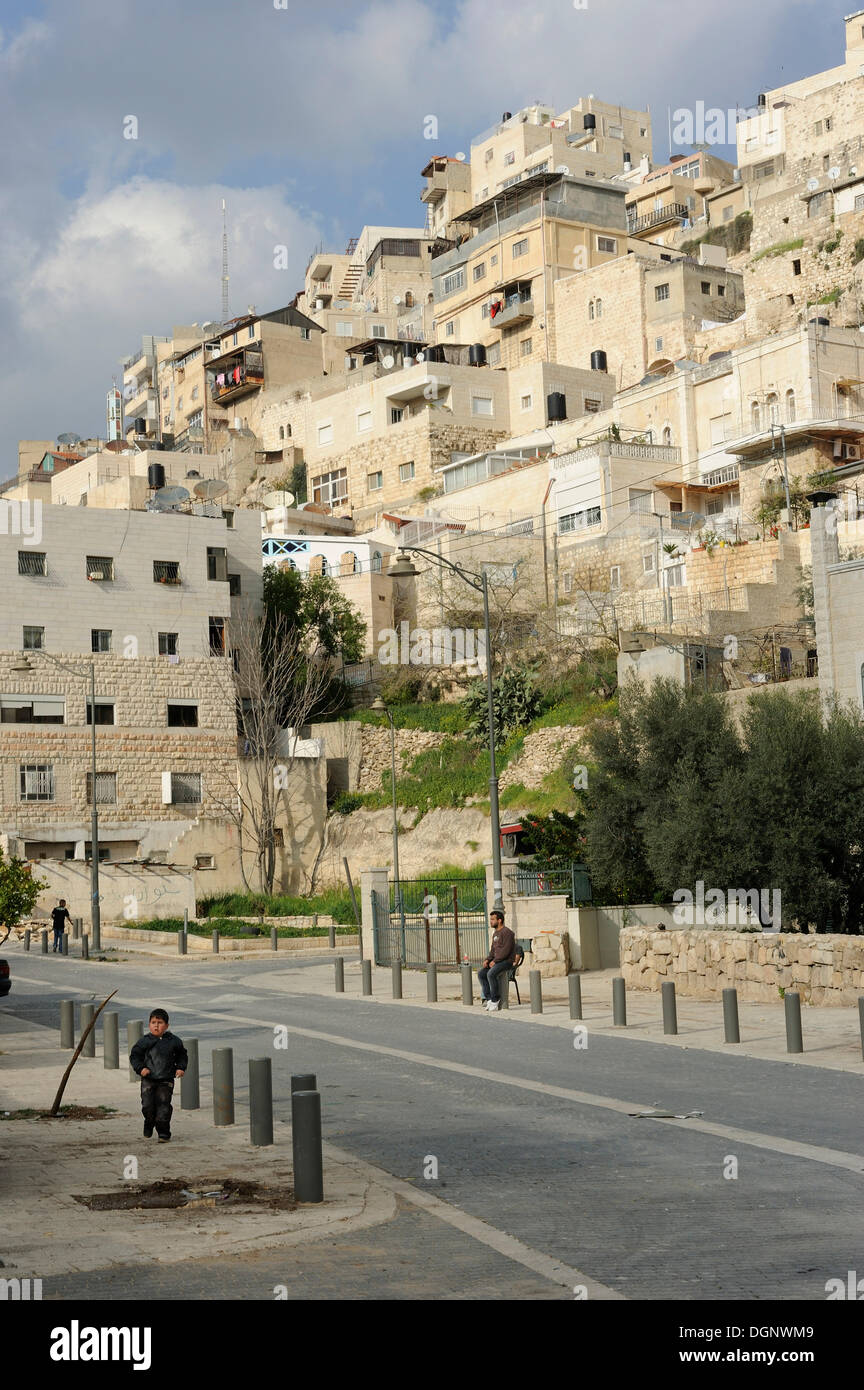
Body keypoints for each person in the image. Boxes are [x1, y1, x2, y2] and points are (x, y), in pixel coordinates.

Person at [129, 1010, 188, 1143]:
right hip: (148, 1079)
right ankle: (149, 1123)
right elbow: (135, 1056)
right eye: (153, 1023)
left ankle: (163, 1133)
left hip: (166, 1080)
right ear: (149, 1024)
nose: (156, 1026)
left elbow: (182, 1055)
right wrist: (140, 1068)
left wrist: (180, 1067)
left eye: (160, 1023)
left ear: (166, 1026)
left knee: (163, 1107)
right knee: (147, 1106)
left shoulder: (173, 1041)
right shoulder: (144, 1041)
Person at [478, 910, 515, 1013]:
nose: (490, 921)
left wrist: (495, 961)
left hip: (506, 961)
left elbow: (505, 951)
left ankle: (495, 999)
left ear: (499, 920)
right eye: (490, 919)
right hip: (497, 961)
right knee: (481, 973)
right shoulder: (495, 933)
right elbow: (493, 950)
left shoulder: (507, 933)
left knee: (491, 974)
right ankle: (489, 998)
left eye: (493, 919)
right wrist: (488, 959)